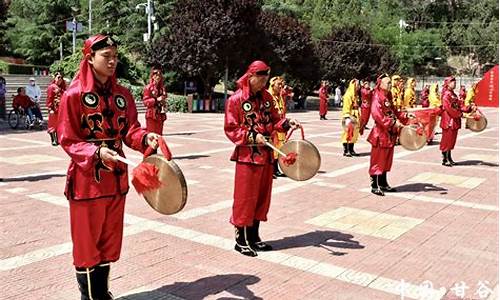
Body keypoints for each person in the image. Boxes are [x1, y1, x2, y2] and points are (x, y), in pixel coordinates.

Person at [57, 34, 161, 299]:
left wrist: (145, 138)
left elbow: (130, 131)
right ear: (90, 58)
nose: (113, 61)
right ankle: (90, 296)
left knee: (109, 241)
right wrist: (95, 152)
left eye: (115, 56)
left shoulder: (123, 95)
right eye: (107, 56)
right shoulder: (74, 95)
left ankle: (101, 293)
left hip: (116, 180)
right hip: (87, 181)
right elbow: (68, 138)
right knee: (86, 243)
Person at [224, 60, 300, 257]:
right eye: (261, 78)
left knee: (261, 198)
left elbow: (275, 119)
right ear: (251, 77)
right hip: (248, 157)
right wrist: (251, 136)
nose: (265, 82)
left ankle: (254, 237)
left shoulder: (266, 97)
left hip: (267, 155)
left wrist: (286, 122)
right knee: (244, 199)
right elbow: (231, 129)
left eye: (267, 78)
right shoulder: (236, 100)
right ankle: (241, 240)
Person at [367, 74, 409, 196]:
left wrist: (404, 116)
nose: (390, 85)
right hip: (380, 134)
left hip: (389, 134)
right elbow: (377, 115)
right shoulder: (377, 97)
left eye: (391, 82)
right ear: (381, 84)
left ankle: (383, 183)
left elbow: (394, 111)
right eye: (388, 83)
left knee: (386, 160)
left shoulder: (387, 96)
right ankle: (374, 185)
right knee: (377, 159)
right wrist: (393, 123)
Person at [439, 76, 474, 167]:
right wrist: (460, 114)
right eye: (452, 82)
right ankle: (445, 159)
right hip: (448, 121)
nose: (454, 83)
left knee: (451, 140)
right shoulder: (446, 95)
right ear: (447, 83)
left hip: (454, 121)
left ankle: (449, 157)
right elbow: (448, 108)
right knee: (446, 140)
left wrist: (469, 108)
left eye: (454, 82)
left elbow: (460, 106)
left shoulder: (454, 94)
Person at [268, 76, 286, 177]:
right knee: (273, 148)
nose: (280, 86)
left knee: (280, 147)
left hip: (281, 127)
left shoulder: (279, 97)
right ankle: (272, 170)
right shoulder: (269, 97)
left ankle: (276, 169)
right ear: (272, 85)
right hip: (273, 128)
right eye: (278, 84)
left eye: (281, 85)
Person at [142, 67, 168, 135]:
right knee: (152, 136)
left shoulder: (162, 88)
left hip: (160, 114)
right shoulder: (148, 88)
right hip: (151, 115)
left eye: (159, 75)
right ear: (152, 76)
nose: (158, 77)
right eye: (156, 75)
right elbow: (145, 102)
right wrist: (156, 100)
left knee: (159, 136)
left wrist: (163, 101)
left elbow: (164, 98)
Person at [341, 79, 361, 156]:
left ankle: (351, 149)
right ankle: (346, 150)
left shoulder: (356, 95)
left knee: (355, 133)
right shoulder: (348, 95)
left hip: (355, 116)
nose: (358, 87)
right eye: (357, 85)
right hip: (349, 117)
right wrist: (347, 118)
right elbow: (346, 108)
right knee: (347, 133)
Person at [46, 72, 66, 146]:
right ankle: (53, 139)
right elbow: (49, 98)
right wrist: (50, 107)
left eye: (61, 77)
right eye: (58, 77)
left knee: (59, 125)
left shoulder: (62, 87)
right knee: (52, 125)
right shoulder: (52, 87)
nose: (60, 79)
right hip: (54, 109)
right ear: (54, 78)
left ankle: (58, 139)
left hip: (61, 109)